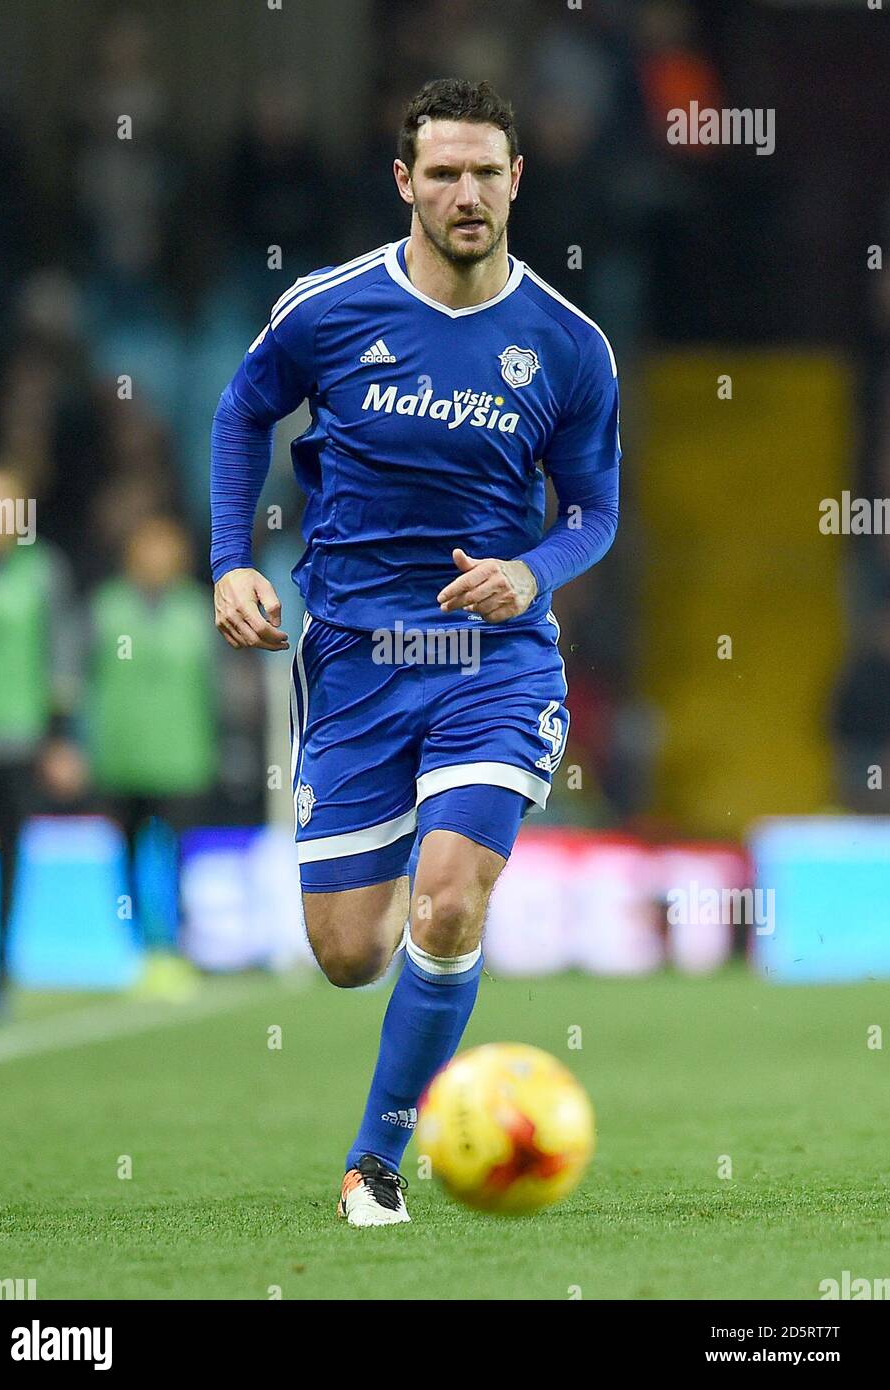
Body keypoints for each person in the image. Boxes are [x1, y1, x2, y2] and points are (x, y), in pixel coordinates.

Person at [210, 79, 621, 1225]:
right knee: (349, 951)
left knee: (447, 902)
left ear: (516, 179)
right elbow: (243, 413)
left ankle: (375, 1162)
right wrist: (227, 559)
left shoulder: (567, 346)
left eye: (486, 170)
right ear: (405, 184)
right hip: (351, 656)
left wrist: (532, 572)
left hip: (493, 661)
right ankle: (415, 1017)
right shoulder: (327, 310)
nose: (466, 191)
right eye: (442, 172)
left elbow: (593, 512)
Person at [0, 466, 82, 1012]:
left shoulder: (43, 573)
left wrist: (59, 738)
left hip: (17, 741)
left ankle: (1, 972)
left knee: (11, 857)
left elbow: (61, 660)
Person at [86, 515, 215, 998]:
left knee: (180, 859)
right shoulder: (107, 608)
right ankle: (140, 949)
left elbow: (215, 686)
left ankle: (180, 947)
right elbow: (84, 682)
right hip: (122, 757)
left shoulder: (196, 609)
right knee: (127, 858)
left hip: (182, 757)